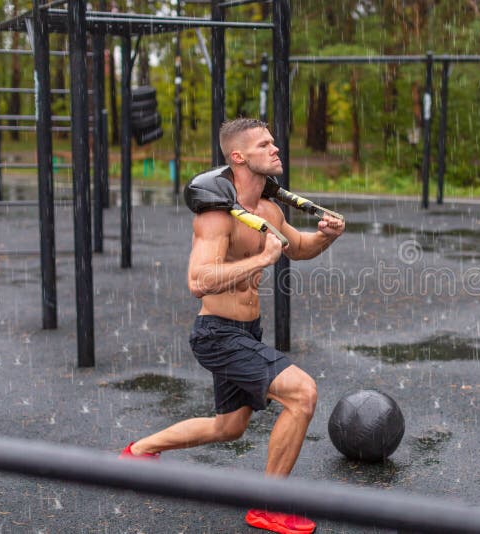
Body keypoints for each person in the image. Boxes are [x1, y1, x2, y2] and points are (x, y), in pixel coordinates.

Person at [119, 118, 345, 534]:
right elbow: (198, 281)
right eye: (264, 145)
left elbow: (298, 248)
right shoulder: (217, 216)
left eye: (274, 142)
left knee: (229, 427)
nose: (275, 149)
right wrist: (262, 259)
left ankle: (137, 451)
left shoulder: (270, 210)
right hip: (217, 334)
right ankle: (268, 507)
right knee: (302, 394)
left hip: (247, 332)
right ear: (238, 157)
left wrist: (327, 235)